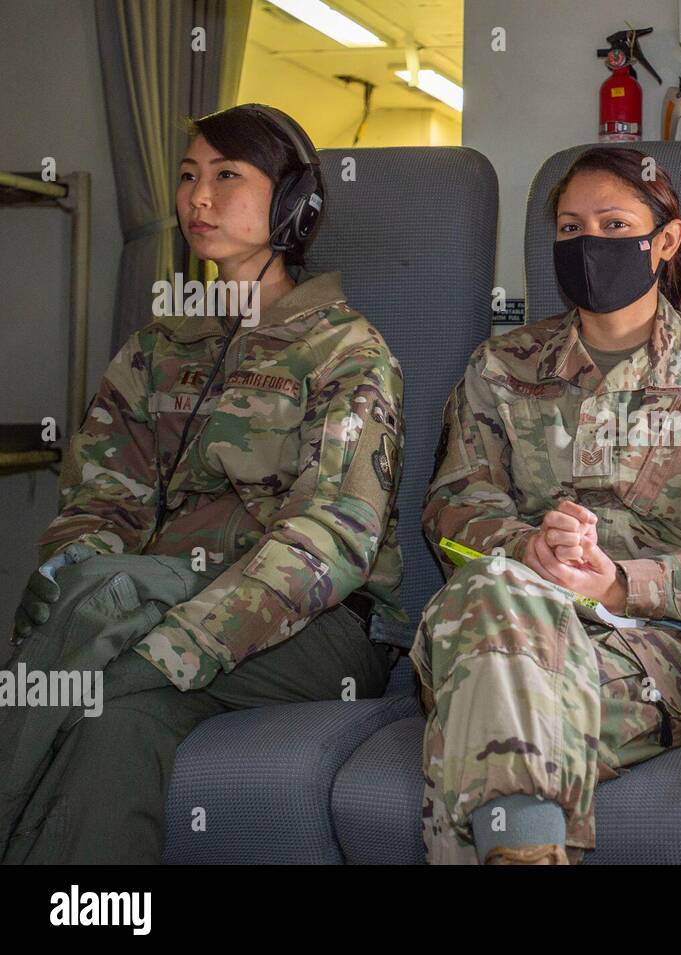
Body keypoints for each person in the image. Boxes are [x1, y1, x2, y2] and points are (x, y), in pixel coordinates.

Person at [1, 104, 404, 864]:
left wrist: (189, 636)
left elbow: (334, 539)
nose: (197, 198)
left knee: (105, 599)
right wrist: (87, 572)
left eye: (226, 176)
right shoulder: (161, 345)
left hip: (315, 628)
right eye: (187, 177)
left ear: (291, 202)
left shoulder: (346, 349)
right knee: (112, 716)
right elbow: (99, 496)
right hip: (151, 595)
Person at [413, 146, 681, 864]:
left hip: (655, 648)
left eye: (613, 222)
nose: (588, 242)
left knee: (481, 708)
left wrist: (624, 581)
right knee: (496, 599)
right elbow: (450, 508)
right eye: (569, 228)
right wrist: (526, 548)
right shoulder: (501, 368)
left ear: (665, 241)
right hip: (507, 614)